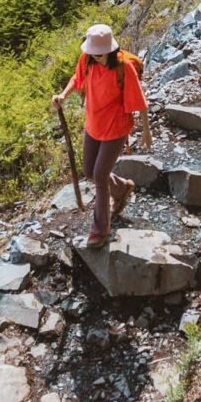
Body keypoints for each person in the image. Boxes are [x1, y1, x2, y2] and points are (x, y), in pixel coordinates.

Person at [51, 22, 151, 249]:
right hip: (94, 124)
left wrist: (146, 132)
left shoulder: (123, 68)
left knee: (99, 173)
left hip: (116, 127)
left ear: (108, 50)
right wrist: (63, 96)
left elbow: (140, 102)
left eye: (98, 54)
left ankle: (100, 230)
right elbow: (76, 80)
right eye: (92, 53)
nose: (95, 57)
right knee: (89, 171)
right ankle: (122, 188)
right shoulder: (86, 60)